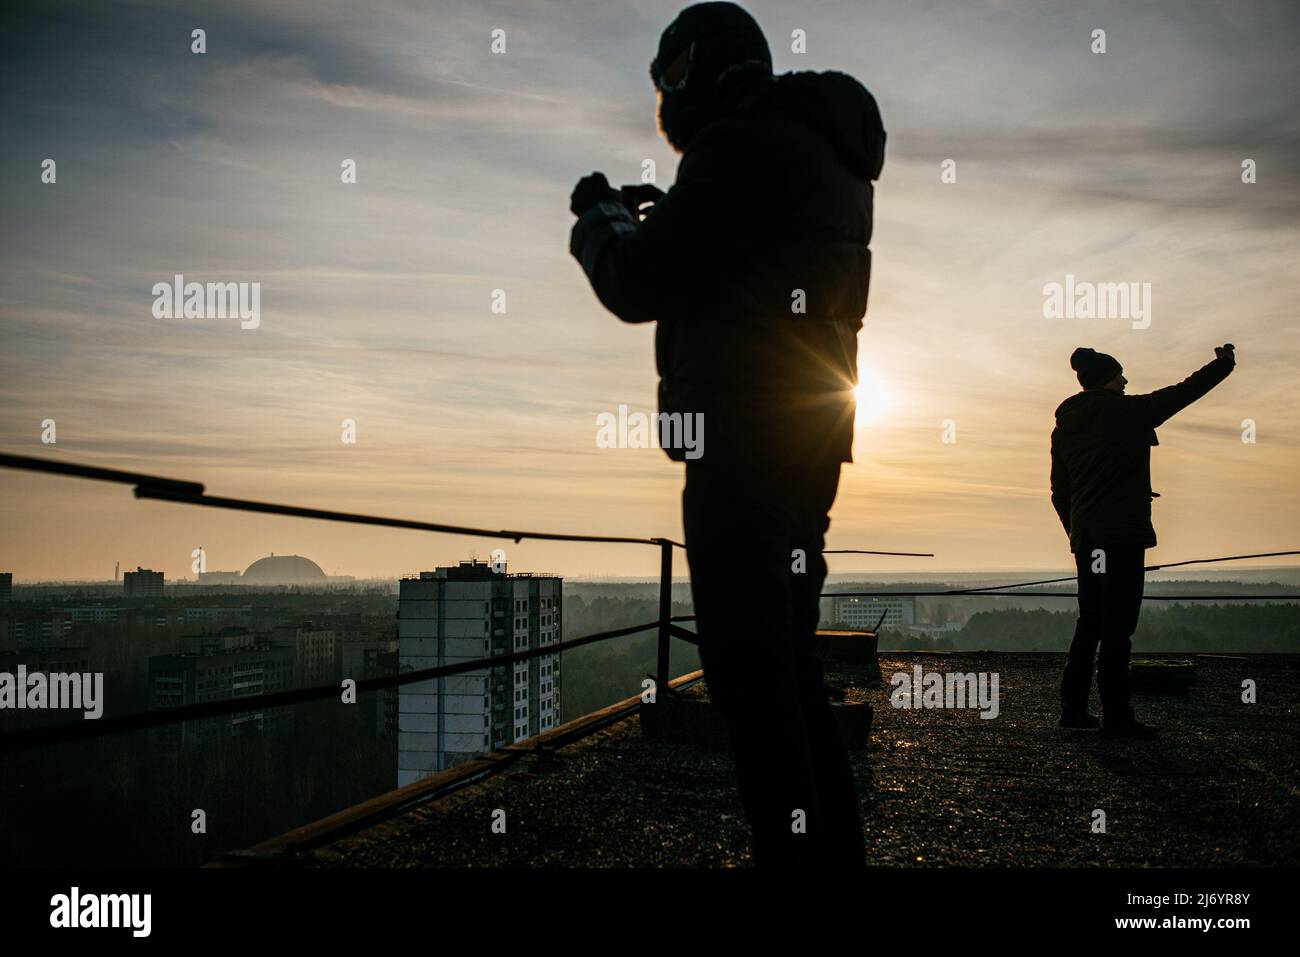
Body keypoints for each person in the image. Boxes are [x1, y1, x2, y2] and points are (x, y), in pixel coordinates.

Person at [567, 1, 884, 866]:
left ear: (702, 70)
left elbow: (639, 281)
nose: (665, 101)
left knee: (748, 679)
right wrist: (672, 211)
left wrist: (599, 219)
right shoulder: (821, 150)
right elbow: (745, 255)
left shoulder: (738, 147)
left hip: (739, 447)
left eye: (669, 79)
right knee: (785, 667)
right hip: (810, 444)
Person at [1050, 344, 1236, 737]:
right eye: (1120, 375)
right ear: (1106, 379)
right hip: (1121, 536)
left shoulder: (1064, 428)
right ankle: (1117, 716)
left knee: (1090, 622)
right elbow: (1182, 393)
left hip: (1089, 540)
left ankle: (1073, 711)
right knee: (1119, 627)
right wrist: (1222, 365)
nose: (1125, 380)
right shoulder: (1124, 412)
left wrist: (1078, 531)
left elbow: (1059, 492)